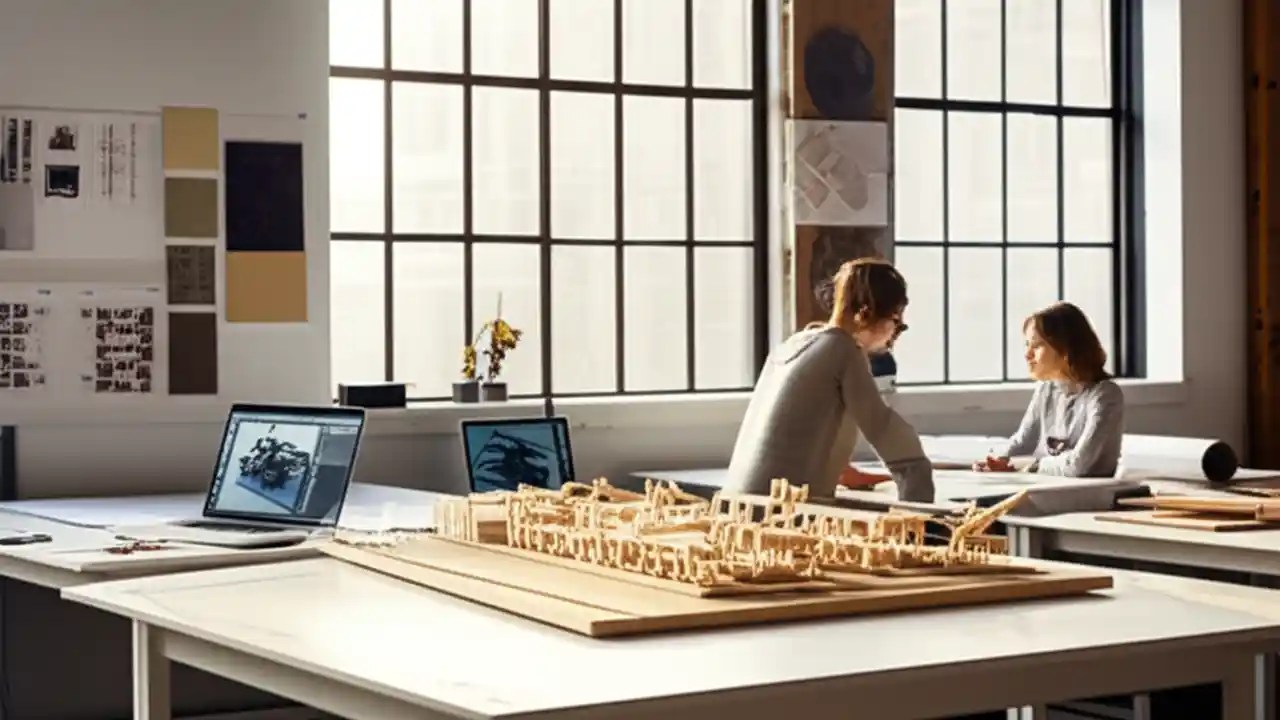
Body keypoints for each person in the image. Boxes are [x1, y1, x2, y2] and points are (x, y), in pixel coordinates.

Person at [725, 258, 933, 502]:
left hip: (738, 505)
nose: (894, 335)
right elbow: (884, 428)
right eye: (897, 323)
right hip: (784, 515)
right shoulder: (843, 349)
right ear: (867, 313)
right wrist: (919, 485)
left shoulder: (794, 344)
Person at [974, 301, 1124, 477]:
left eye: (1036, 346)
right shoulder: (1046, 389)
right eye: (1026, 344)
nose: (1027, 354)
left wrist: (1028, 465)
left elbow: (1078, 465)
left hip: (1092, 498)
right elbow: (1023, 443)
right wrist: (996, 461)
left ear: (1066, 349)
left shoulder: (1105, 395)